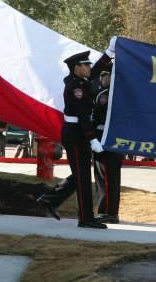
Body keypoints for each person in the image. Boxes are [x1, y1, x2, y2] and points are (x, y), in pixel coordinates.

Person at [36, 45, 114, 224]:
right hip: (76, 134)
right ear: (77, 67)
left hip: (79, 133)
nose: (89, 67)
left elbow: (96, 71)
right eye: (85, 65)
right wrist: (92, 138)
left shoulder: (82, 80)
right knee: (83, 177)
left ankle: (50, 199)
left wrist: (109, 53)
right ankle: (86, 219)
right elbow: (82, 115)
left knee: (81, 173)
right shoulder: (74, 87)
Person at [92, 70, 121, 223]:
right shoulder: (124, 93)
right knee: (112, 177)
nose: (103, 78)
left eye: (106, 75)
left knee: (105, 177)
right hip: (117, 140)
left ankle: (107, 211)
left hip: (104, 138)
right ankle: (111, 211)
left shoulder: (103, 94)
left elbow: (95, 116)